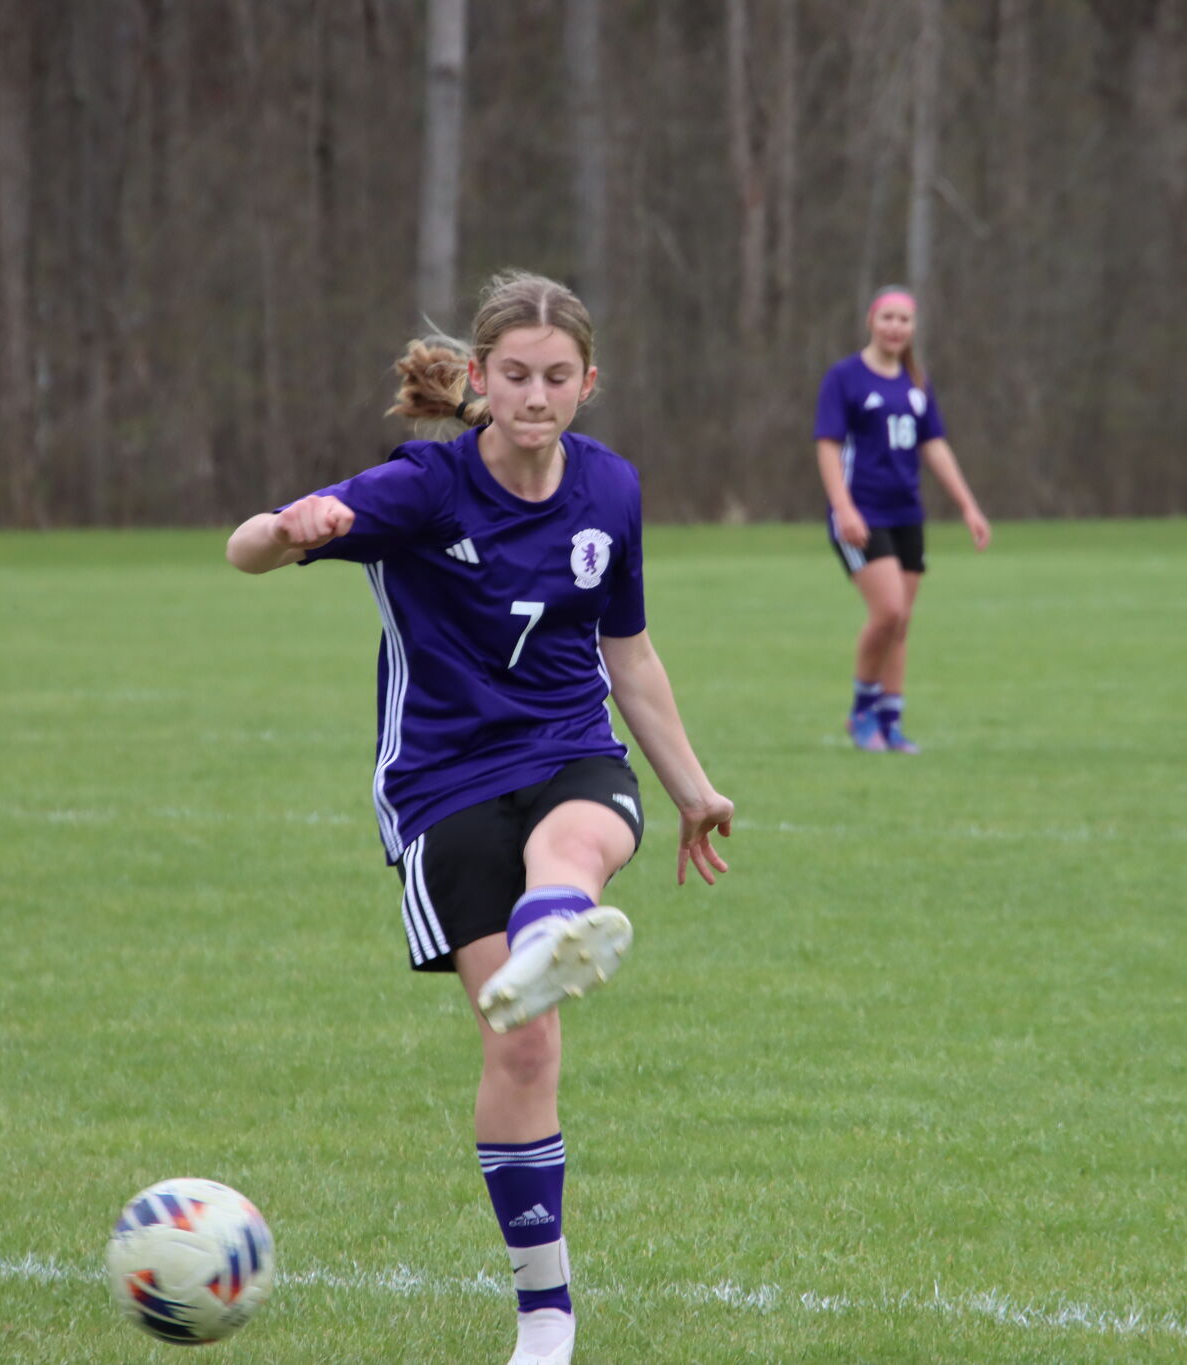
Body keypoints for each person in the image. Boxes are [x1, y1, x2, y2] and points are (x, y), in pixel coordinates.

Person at [226, 270, 732, 1365]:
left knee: (578, 837)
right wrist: (288, 527)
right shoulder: (421, 488)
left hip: (568, 751)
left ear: (587, 383)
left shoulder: (611, 491)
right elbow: (243, 550)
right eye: (515, 376)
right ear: (478, 381)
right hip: (442, 783)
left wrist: (691, 786)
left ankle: (557, 920)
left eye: (557, 377)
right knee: (521, 1046)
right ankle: (543, 1312)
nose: (536, 395)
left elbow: (627, 653)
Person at [814, 285, 991, 754]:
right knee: (888, 610)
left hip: (906, 512)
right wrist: (843, 508)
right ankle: (861, 713)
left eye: (905, 320)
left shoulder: (915, 382)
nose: (896, 327)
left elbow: (934, 445)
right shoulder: (845, 378)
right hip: (862, 514)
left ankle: (891, 723)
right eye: (887, 317)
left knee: (902, 621)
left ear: (913, 329)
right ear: (871, 320)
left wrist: (968, 505)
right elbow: (828, 446)